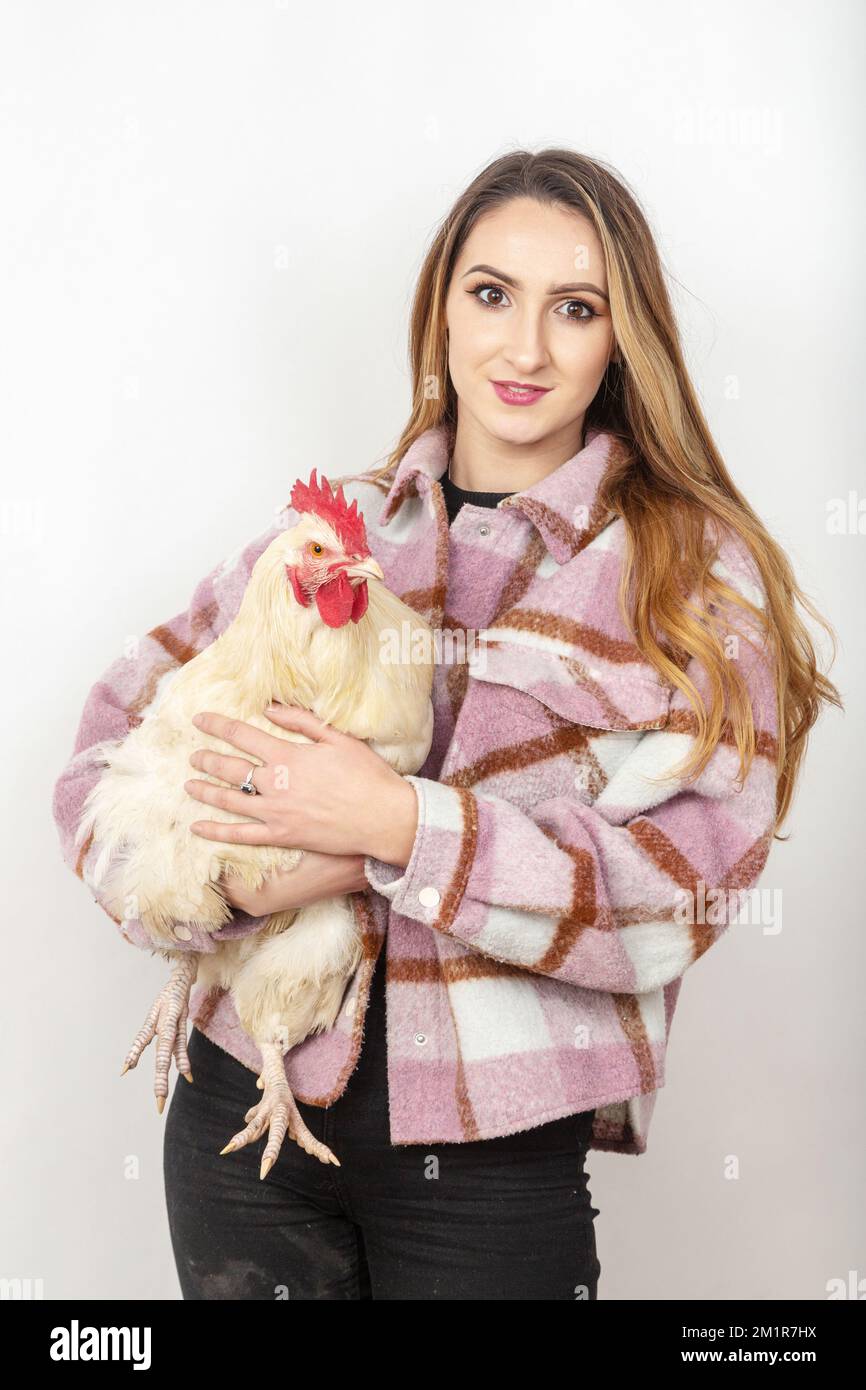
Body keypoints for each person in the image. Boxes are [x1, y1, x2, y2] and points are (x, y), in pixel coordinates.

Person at [52, 147, 841, 1301]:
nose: (522, 350)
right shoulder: (332, 539)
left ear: (621, 339)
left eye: (573, 309)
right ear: (440, 310)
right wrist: (235, 887)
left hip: (488, 1161)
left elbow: (681, 890)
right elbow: (97, 767)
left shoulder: (683, 582)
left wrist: (397, 826)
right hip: (241, 1119)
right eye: (489, 295)